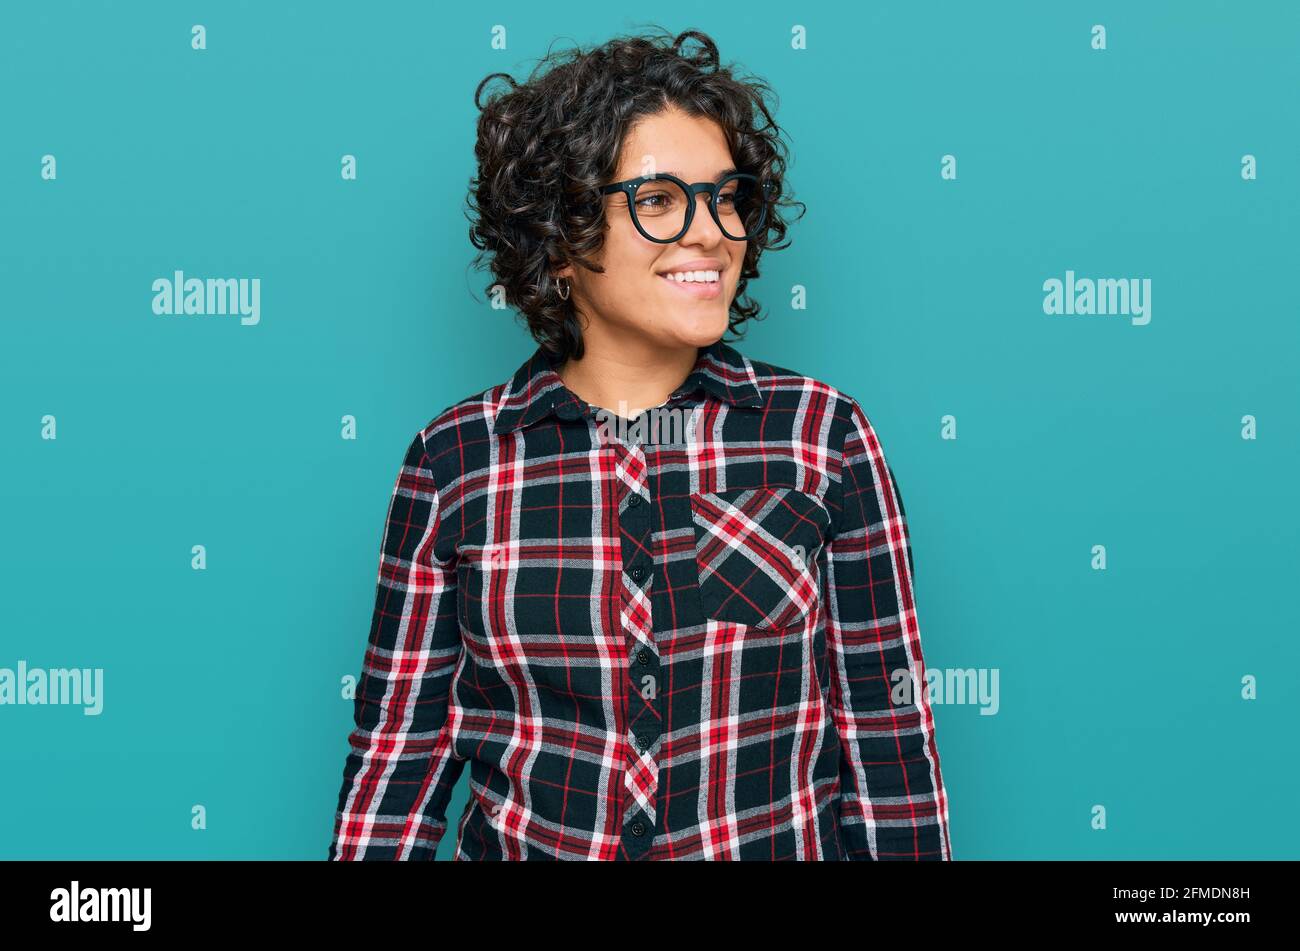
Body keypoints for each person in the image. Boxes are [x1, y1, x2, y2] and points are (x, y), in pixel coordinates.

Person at [328, 27, 951, 861]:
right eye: (658, 201)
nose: (712, 233)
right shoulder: (455, 464)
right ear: (558, 240)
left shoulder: (822, 436)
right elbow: (397, 764)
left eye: (725, 197)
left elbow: (888, 732)